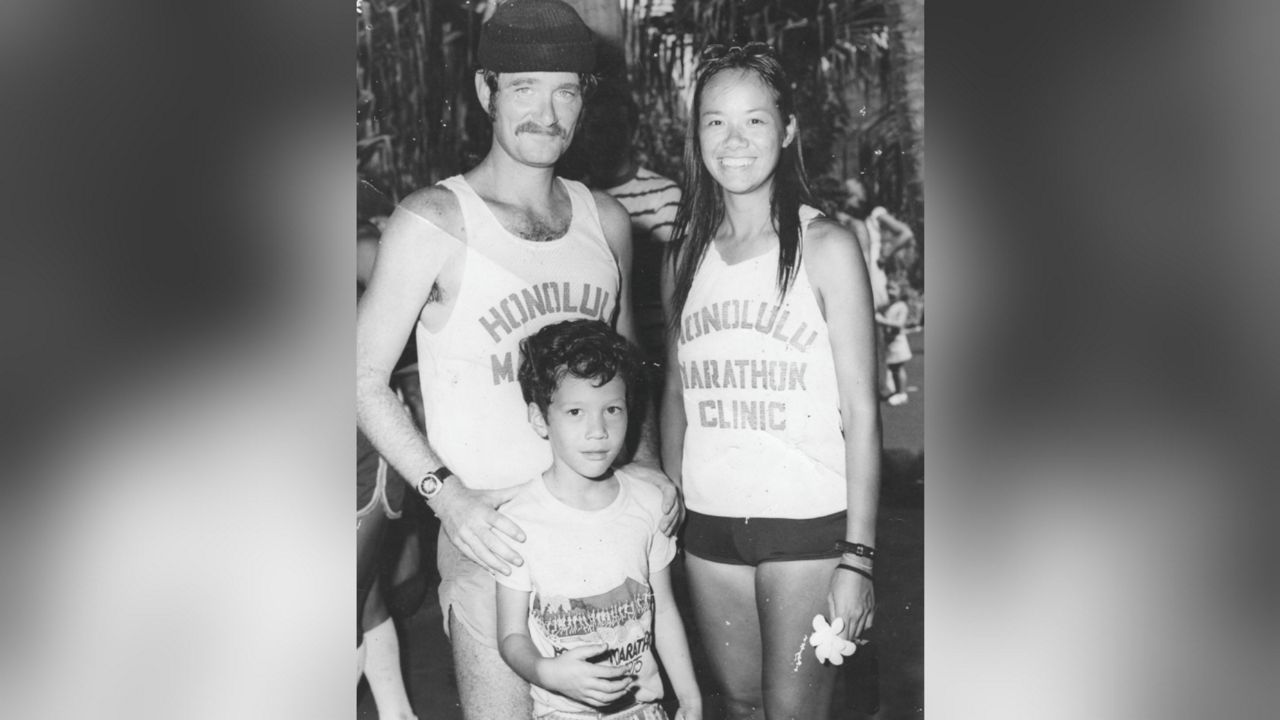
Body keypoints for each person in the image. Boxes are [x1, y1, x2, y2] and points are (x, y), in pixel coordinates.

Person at [355, 2, 680, 718]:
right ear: (485, 92)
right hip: (491, 532)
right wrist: (450, 498)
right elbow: (361, 382)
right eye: (524, 87)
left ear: (585, 100)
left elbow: (628, 368)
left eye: (566, 88)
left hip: (603, 525)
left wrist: (648, 467)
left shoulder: (608, 221)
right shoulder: (433, 221)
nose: (547, 110)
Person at [660, 42, 882, 719]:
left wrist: (860, 559)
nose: (734, 141)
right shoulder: (682, 255)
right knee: (738, 704)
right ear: (696, 133)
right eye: (714, 121)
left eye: (755, 121)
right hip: (711, 531)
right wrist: (676, 508)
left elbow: (862, 413)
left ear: (786, 131)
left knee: (793, 711)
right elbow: (676, 391)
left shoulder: (827, 247)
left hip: (808, 532)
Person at [495, 319, 701, 720]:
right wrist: (545, 671)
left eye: (612, 409)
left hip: (643, 709)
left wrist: (690, 697)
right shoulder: (519, 520)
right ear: (540, 419)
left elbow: (666, 612)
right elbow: (511, 635)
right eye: (575, 411)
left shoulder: (646, 503)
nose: (598, 430)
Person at [577, 82, 682, 370]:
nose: (605, 140)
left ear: (633, 132)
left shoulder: (664, 195)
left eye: (616, 128)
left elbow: (673, 284)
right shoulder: (576, 201)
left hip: (660, 353)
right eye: (596, 128)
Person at [875, 282, 916, 406]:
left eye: (893, 289)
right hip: (890, 343)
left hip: (898, 342)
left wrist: (882, 320)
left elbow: (900, 324)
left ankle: (902, 393)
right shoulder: (890, 305)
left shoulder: (902, 306)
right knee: (893, 368)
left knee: (898, 368)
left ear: (901, 291)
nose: (890, 292)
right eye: (888, 289)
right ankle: (898, 391)